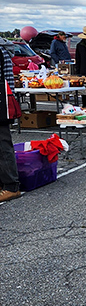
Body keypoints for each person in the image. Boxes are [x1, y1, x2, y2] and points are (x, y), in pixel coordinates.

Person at [0, 43, 21, 202]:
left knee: (3, 145)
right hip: (3, 102)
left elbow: (7, 82)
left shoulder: (1, 51)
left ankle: (11, 186)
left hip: (1, 103)